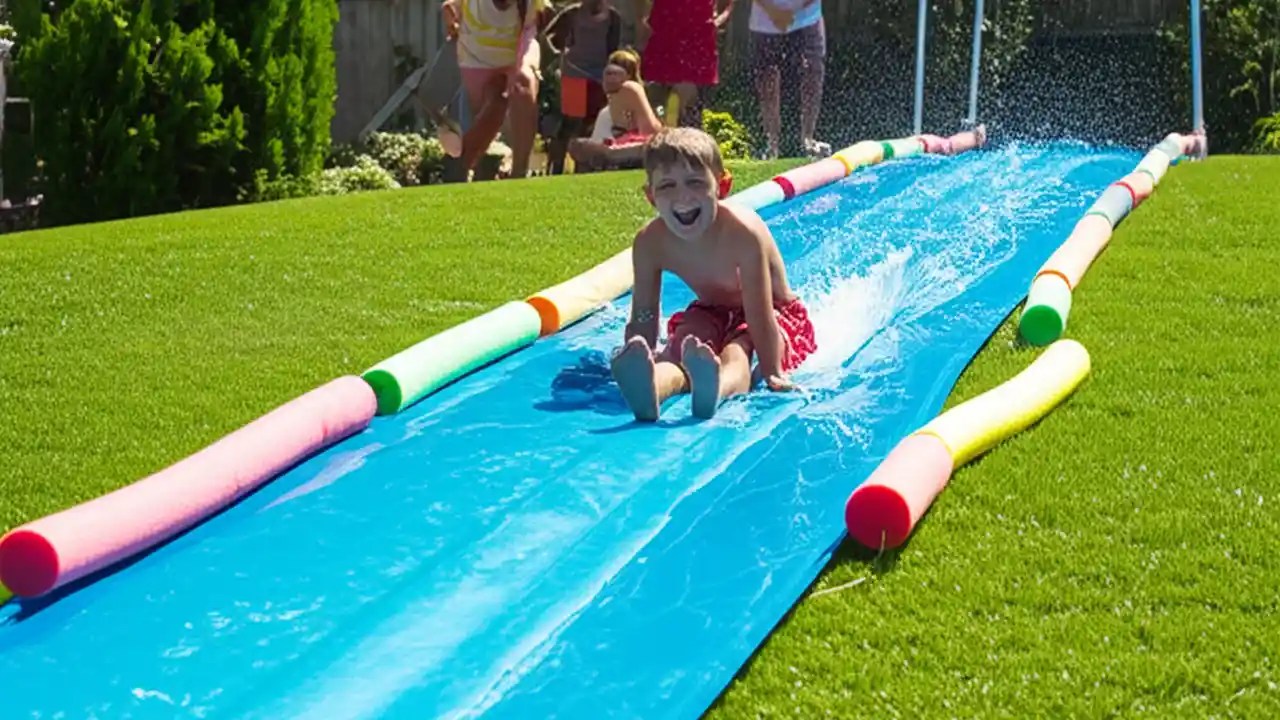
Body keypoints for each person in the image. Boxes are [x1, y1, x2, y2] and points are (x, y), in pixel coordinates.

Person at [610, 127, 817, 421]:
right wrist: (640, 351)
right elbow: (644, 312)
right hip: (712, 309)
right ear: (651, 196)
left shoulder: (742, 233)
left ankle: (717, 388)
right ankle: (652, 387)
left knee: (739, 348)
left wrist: (772, 370)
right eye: (667, 186)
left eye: (695, 182)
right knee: (682, 345)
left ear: (722, 186)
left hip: (770, 313)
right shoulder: (650, 242)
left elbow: (759, 314)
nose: (683, 196)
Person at [442, 0, 546, 180]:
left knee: (523, 82)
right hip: (478, 57)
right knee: (494, 107)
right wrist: (450, 16)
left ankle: (520, 173)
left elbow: (542, 15)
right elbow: (450, 6)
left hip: (518, 46)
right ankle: (462, 167)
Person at [544, 0, 622, 175]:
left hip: (598, 79)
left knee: (592, 126)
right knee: (568, 125)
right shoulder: (573, 13)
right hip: (574, 76)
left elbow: (613, 49)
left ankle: (583, 171)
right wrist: (559, 56)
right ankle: (554, 170)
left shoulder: (613, 17)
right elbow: (548, 36)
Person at [749, 0, 830, 159]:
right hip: (765, 21)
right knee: (768, 82)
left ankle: (806, 139)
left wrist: (792, 13)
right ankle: (772, 142)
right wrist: (773, 12)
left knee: (811, 76)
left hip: (807, 18)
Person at [633, 0, 732, 128]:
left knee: (689, 112)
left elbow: (728, 4)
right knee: (655, 110)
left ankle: (685, 143)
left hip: (697, 45)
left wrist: (720, 19)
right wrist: (640, 19)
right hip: (663, 38)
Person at [568, 49, 663, 171]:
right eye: (608, 73)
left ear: (628, 75)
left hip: (629, 147)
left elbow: (649, 130)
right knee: (577, 145)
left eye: (615, 73)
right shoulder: (610, 102)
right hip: (613, 147)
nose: (610, 78)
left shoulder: (630, 88)